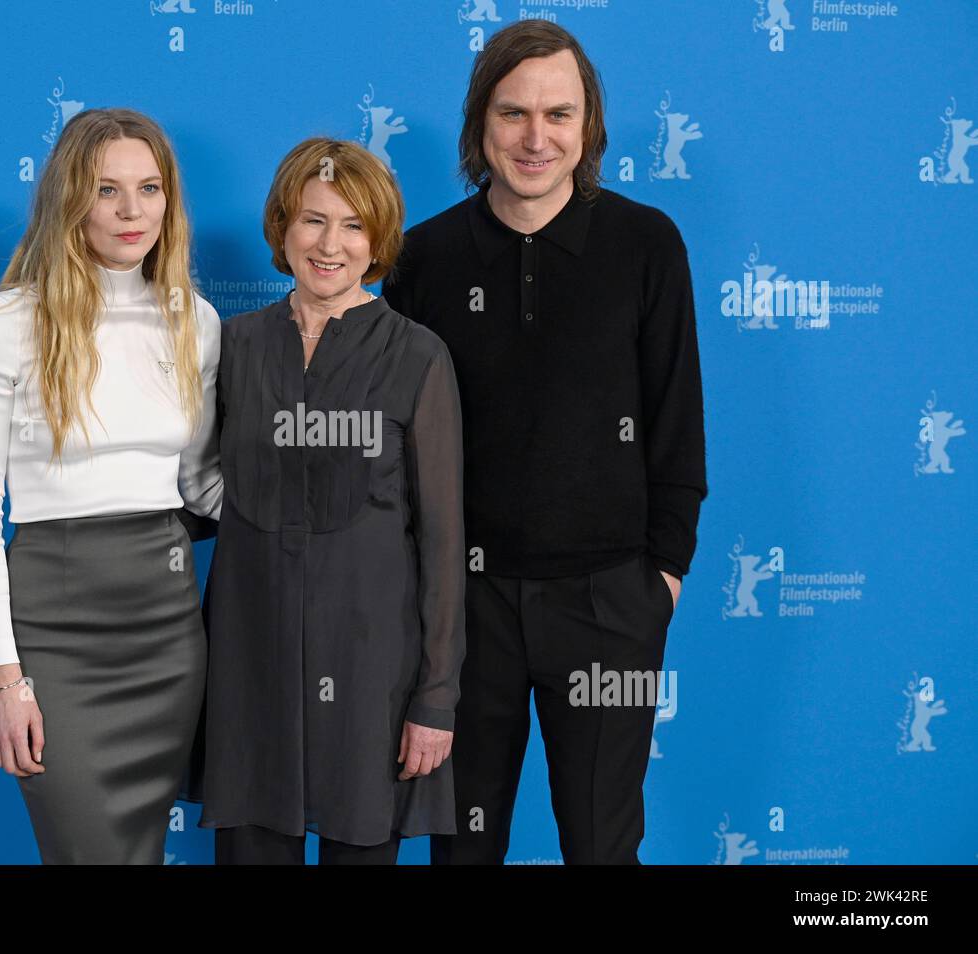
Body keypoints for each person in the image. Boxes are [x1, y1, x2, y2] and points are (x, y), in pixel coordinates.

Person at [382, 21, 707, 864]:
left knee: (603, 847)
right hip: (463, 611)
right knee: (462, 849)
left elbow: (677, 425)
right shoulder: (424, 258)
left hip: (608, 605)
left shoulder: (648, 246)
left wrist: (659, 582)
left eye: (558, 114)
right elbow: (393, 447)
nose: (536, 138)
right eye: (513, 114)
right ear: (479, 125)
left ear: (588, 126)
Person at [0, 107, 222, 863]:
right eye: (107, 190)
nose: (133, 211)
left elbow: (200, 486)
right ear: (71, 198)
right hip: (54, 637)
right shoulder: (4, 323)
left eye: (150, 188)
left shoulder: (195, 321)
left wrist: (325, 495)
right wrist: (5, 681)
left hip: (167, 634)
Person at [195, 138, 466, 865]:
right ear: (283, 227)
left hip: (374, 672)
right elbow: (191, 495)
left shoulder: (417, 356)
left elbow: (443, 544)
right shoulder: (234, 347)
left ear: (377, 241)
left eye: (353, 225)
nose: (331, 244)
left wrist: (434, 701)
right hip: (250, 663)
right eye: (313, 220)